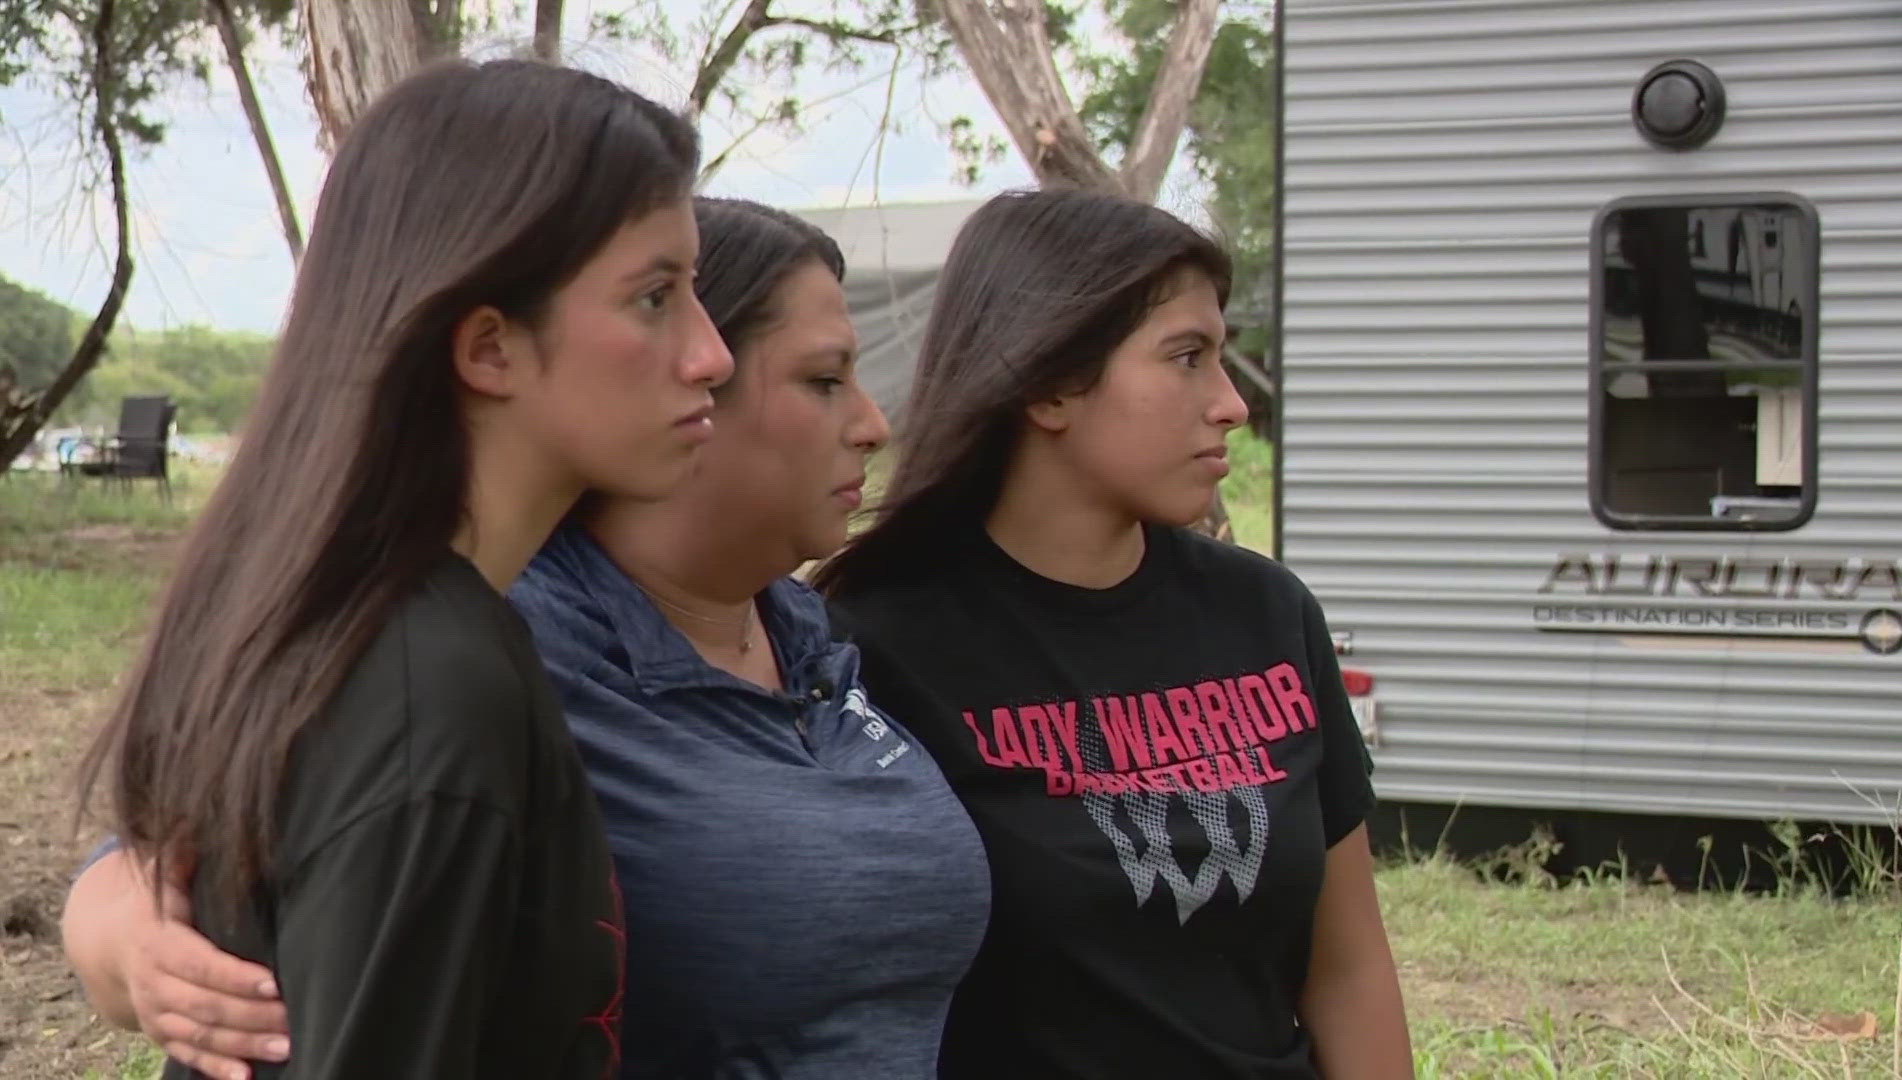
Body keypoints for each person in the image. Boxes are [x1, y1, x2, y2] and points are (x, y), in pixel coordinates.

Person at [62, 197, 990, 1079]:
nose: (872, 425)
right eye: (824, 381)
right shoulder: (500, 646)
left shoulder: (807, 631)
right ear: (695, 384)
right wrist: (128, 933)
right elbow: (204, 841)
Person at [64, 58, 729, 1080]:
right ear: (490, 349)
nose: (711, 354)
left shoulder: (365, 623)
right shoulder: (427, 688)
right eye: (654, 298)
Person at [814, 187, 1413, 1078]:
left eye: (1223, 359)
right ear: (1051, 383)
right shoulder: (874, 642)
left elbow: (1349, 969)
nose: (1231, 405)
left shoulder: (1267, 613)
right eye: (1186, 358)